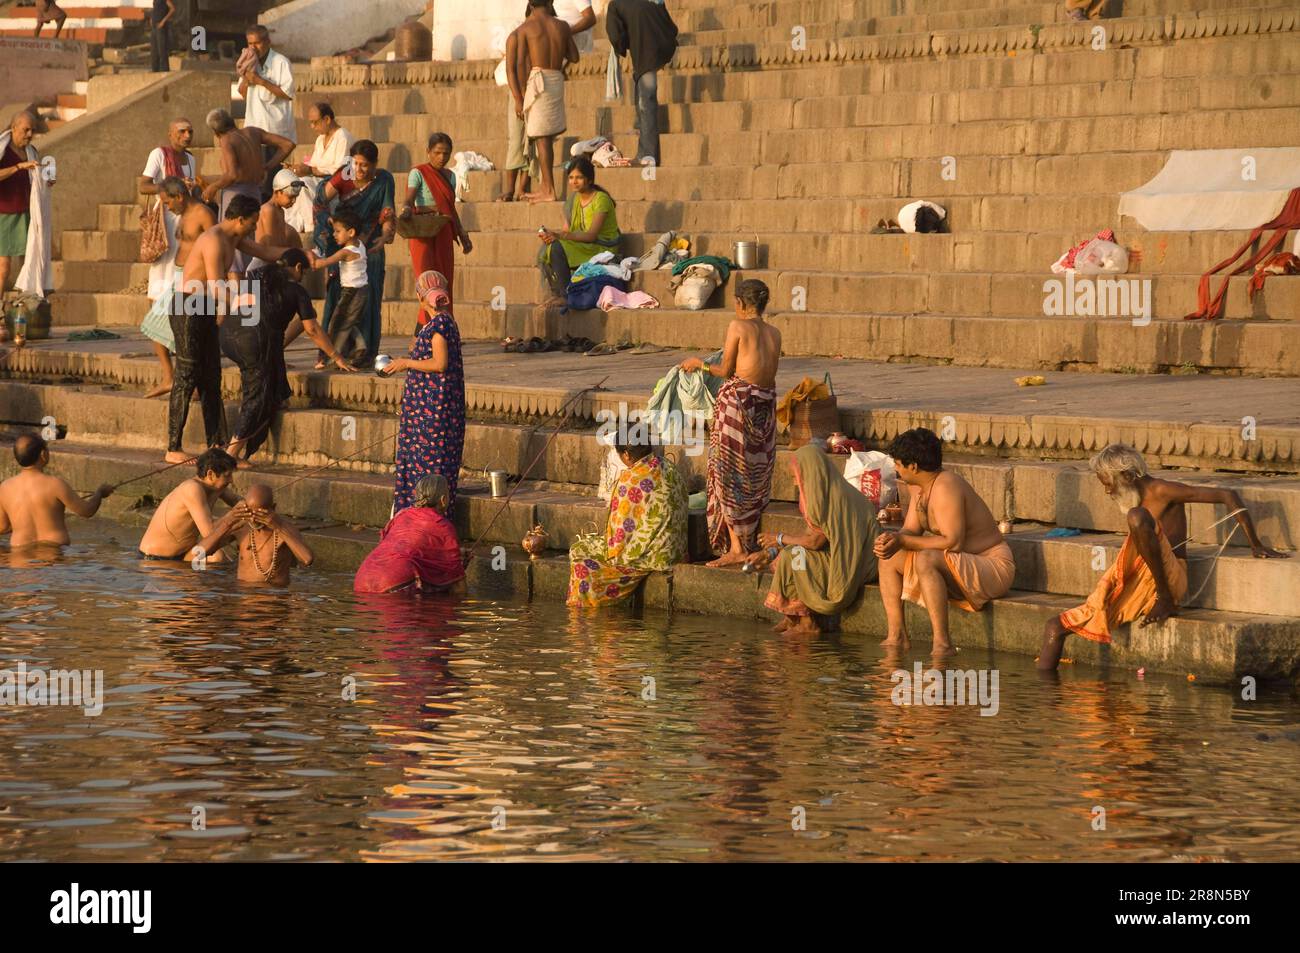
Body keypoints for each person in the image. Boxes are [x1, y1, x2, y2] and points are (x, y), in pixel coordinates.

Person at [1037, 444, 1288, 670]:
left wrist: (1255, 544)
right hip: (1139, 583)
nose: (1107, 491)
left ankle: (1164, 598)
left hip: (1170, 580)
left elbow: (1227, 495)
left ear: (1126, 476)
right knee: (1054, 627)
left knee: (1136, 516)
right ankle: (1049, 704)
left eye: (1108, 483)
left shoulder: (1162, 490)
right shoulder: (1136, 499)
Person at [165, 193, 287, 464]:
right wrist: (244, 302)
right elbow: (217, 285)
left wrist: (298, 254)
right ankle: (172, 446)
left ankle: (216, 446)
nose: (255, 228)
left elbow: (265, 252)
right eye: (252, 223)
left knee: (211, 378)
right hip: (188, 306)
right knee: (187, 375)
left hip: (205, 307)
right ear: (240, 219)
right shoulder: (213, 239)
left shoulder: (234, 238)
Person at [874, 428, 1015, 657]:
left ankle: (942, 644)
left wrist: (902, 539)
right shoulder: (918, 488)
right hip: (958, 564)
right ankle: (896, 636)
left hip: (992, 565)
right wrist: (891, 540)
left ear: (913, 467)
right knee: (888, 555)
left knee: (926, 559)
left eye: (898, 464)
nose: (895, 469)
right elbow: (910, 529)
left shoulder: (946, 486)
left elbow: (954, 542)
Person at [679, 278, 781, 567]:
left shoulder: (737, 326)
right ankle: (745, 541)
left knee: (726, 472)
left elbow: (725, 370)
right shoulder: (775, 332)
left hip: (736, 407)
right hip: (764, 406)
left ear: (740, 303)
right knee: (752, 472)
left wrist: (698, 363)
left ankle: (737, 547)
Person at [757, 444, 881, 635]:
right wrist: (771, 551)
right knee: (789, 555)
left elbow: (815, 542)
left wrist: (780, 539)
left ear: (810, 472)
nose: (794, 480)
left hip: (856, 565)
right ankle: (792, 616)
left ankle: (808, 623)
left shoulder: (836, 499)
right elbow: (809, 537)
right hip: (841, 557)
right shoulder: (827, 492)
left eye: (796, 474)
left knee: (794, 555)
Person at [566, 437, 688, 608]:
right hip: (674, 550)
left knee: (579, 550)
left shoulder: (630, 480)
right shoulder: (668, 467)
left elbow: (619, 542)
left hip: (649, 557)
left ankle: (591, 610)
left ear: (627, 455)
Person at [382, 270, 465, 513]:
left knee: (428, 464)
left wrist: (404, 363)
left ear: (420, 298)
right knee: (422, 462)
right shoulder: (440, 322)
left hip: (433, 412)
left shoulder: (439, 324)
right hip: (428, 410)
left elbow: (439, 364)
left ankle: (423, 521)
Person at [311, 139, 395, 366]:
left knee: (369, 297)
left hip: (370, 242)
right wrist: (328, 222)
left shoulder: (384, 179)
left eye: (365, 165)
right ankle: (329, 353)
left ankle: (364, 354)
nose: (359, 170)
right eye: (355, 164)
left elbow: (387, 213)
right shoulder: (344, 175)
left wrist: (385, 236)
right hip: (342, 241)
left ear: (375, 164)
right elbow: (320, 200)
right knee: (337, 297)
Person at [138, 176, 215, 398]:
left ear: (179, 196)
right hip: (178, 277)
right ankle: (169, 378)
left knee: (189, 335)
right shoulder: (181, 214)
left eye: (167, 202)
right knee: (153, 325)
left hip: (196, 281)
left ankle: (194, 384)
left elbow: (217, 245)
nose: (166, 206)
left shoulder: (203, 214)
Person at [201, 108, 293, 275]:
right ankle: (249, 288)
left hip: (235, 195)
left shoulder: (227, 140)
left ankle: (237, 295)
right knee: (249, 243)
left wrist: (212, 186)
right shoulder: (253, 132)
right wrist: (267, 166)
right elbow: (288, 144)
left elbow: (232, 174)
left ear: (216, 132)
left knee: (234, 243)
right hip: (254, 193)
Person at [511, 0, 578, 204]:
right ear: (550, 2)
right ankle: (546, 187)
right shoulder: (562, 26)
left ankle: (548, 189)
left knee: (542, 137)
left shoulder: (525, 29)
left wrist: (520, 96)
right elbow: (574, 56)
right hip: (556, 79)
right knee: (546, 138)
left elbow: (521, 62)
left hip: (538, 80)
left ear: (530, 5)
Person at [354, 473, 466, 593]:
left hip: (363, 578)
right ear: (443, 500)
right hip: (393, 582)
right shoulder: (442, 526)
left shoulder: (402, 515)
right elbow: (458, 585)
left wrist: (458, 557)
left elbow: (401, 550)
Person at [401, 132, 472, 314]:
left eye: (446, 153)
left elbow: (450, 208)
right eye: (438, 152)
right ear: (428, 152)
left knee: (443, 280)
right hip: (422, 231)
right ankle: (425, 333)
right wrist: (407, 209)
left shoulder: (450, 176)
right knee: (427, 283)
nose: (442, 158)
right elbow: (409, 197)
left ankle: (443, 328)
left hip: (444, 230)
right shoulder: (418, 172)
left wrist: (462, 234)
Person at [0, 433, 113, 547]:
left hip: (20, 556)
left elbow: (2, 527)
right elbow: (86, 511)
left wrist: (19, 524)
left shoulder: (4, 488)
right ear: (43, 454)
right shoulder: (55, 484)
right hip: (54, 554)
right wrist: (99, 493)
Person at [196, 484, 314, 586]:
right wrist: (228, 522)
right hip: (243, 597)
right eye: (249, 512)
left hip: (274, 598)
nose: (253, 519)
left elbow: (307, 559)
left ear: (272, 508)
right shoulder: (241, 528)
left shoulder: (285, 529)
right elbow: (200, 552)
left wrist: (279, 526)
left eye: (259, 514)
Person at [607, 0, 679, 167]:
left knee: (647, 103)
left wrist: (622, 46)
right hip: (661, 46)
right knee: (643, 95)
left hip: (647, 51)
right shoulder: (651, 2)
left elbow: (615, 36)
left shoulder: (615, 5)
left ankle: (647, 157)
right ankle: (648, 151)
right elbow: (673, 29)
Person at [537, 156, 620, 300]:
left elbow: (591, 235)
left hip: (601, 246)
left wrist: (560, 236)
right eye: (571, 177)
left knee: (557, 247)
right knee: (550, 247)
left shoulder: (601, 199)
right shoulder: (574, 199)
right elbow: (567, 230)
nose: (574, 182)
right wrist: (551, 235)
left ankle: (565, 296)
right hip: (584, 245)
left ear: (589, 179)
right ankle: (558, 293)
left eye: (579, 177)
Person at [138, 448, 240, 559]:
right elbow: (209, 534)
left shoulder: (217, 487)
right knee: (217, 556)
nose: (231, 480)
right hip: (156, 559)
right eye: (227, 475)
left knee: (217, 555)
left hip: (185, 554)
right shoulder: (192, 488)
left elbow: (241, 503)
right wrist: (232, 516)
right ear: (210, 474)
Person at [237, 23, 296, 196]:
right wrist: (247, 79)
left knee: (270, 185)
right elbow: (242, 93)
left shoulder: (281, 62)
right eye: (250, 44)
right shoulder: (248, 60)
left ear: (267, 42)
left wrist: (260, 81)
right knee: (255, 184)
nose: (253, 48)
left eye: (257, 43)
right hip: (254, 131)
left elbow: (287, 93)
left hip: (275, 131)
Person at [309, 207, 369, 364]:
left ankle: (333, 358)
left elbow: (325, 263)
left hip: (351, 292)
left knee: (337, 323)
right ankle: (360, 345)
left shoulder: (345, 252)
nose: (334, 235)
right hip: (361, 290)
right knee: (349, 321)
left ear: (351, 232)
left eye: (337, 231)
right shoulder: (360, 244)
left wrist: (310, 258)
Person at [285, 102, 353, 232]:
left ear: (327, 119)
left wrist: (309, 170)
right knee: (289, 185)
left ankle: (312, 227)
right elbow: (314, 166)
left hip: (336, 188)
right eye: (310, 123)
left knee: (302, 184)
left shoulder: (343, 137)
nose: (312, 126)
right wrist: (296, 168)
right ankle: (299, 224)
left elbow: (341, 173)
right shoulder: (320, 139)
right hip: (318, 183)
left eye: (314, 122)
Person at [0, 111, 46, 300]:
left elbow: (35, 180)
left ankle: (25, 309)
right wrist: (18, 167)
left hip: (27, 213)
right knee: (3, 268)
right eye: (25, 129)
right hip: (3, 213)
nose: (29, 134)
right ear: (13, 128)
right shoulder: (3, 150)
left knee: (29, 263)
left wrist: (46, 180)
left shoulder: (31, 151)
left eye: (32, 130)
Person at [248, 168, 304, 270]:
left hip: (271, 264)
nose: (294, 201)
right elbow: (270, 248)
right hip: (261, 267)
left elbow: (279, 243)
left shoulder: (280, 211)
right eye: (290, 197)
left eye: (295, 197)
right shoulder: (269, 210)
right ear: (278, 192)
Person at [150, 0, 175, 72]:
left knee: (162, 49)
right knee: (154, 50)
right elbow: (155, 9)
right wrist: (151, 18)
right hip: (154, 26)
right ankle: (155, 70)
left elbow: (172, 9)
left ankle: (164, 69)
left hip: (160, 26)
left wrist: (163, 21)